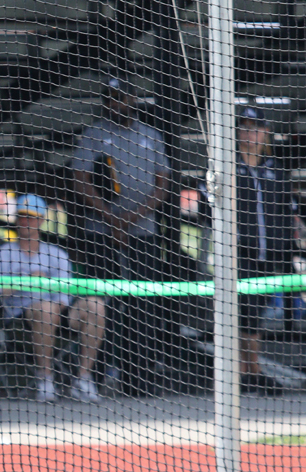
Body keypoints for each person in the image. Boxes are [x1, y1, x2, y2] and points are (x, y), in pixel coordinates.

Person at [70, 77, 170, 396]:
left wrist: (132, 217)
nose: (119, 104)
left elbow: (163, 181)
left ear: (135, 98)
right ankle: (95, 378)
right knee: (104, 304)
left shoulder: (150, 134)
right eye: (113, 98)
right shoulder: (94, 133)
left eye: (124, 97)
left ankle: (138, 379)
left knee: (143, 304)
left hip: (143, 233)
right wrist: (110, 217)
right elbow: (80, 178)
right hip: (102, 234)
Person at [0, 194, 107, 402]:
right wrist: (22, 282)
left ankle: (83, 379)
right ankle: (45, 378)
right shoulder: (2, 254)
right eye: (22, 216)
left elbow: (65, 295)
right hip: (19, 320)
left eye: (31, 217)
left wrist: (54, 299)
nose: (26, 222)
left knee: (96, 305)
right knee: (45, 310)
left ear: (41, 220)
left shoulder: (56, 254)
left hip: (60, 316)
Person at [233, 106, 293, 395]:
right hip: (236, 256)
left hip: (268, 257)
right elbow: (207, 205)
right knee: (238, 315)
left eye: (255, 127)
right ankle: (248, 374)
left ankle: (251, 375)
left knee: (253, 316)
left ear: (266, 131)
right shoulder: (227, 167)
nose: (250, 133)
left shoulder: (276, 171)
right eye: (244, 127)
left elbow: (289, 214)